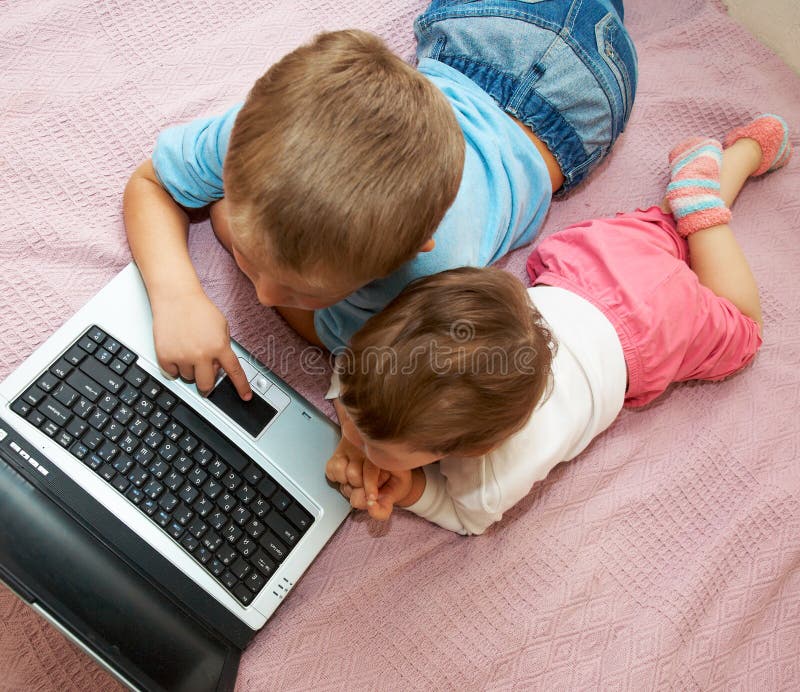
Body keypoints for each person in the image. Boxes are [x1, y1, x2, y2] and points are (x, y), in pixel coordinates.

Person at [122, 1, 638, 400]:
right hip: (485, 25)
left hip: (582, 101)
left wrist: (230, 228)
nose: (263, 297)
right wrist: (177, 297)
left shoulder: (428, 276)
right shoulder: (260, 134)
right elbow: (150, 183)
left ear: (409, 252)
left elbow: (345, 348)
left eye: (300, 291)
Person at [325, 114, 792, 535]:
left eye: (362, 432)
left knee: (743, 332)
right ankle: (706, 189)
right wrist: (358, 430)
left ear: (467, 450)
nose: (349, 420)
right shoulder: (380, 362)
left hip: (653, 332)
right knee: (674, 228)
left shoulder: (489, 478)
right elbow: (354, 372)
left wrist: (411, 492)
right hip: (596, 263)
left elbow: (465, 516)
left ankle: (712, 208)